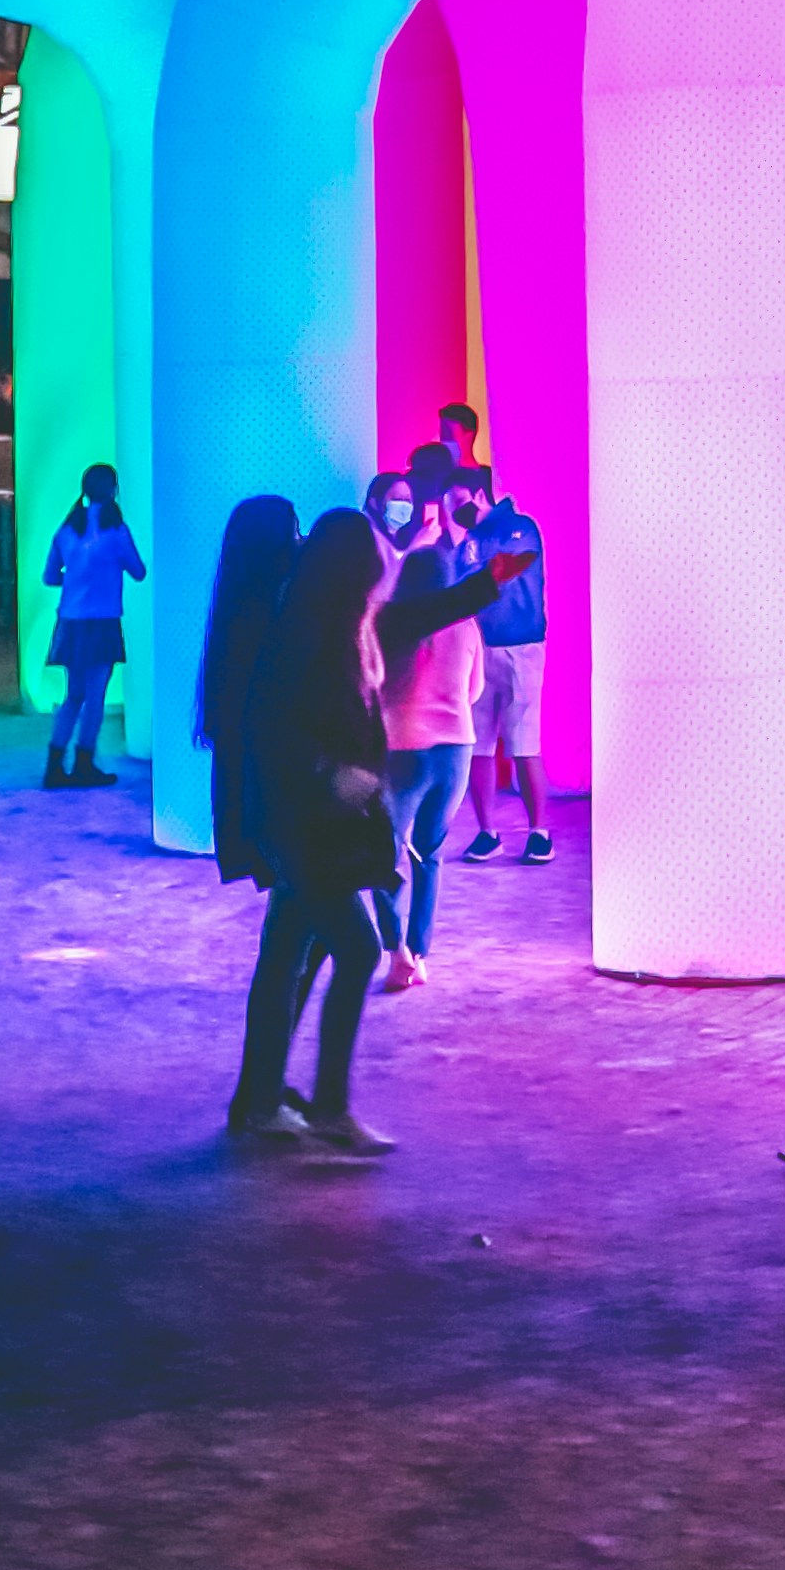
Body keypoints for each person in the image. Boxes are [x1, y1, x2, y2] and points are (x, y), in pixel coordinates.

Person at [227, 502, 520, 1155]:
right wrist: (333, 773)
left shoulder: (354, 622)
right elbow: (271, 726)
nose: (389, 562)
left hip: (317, 825)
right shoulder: (307, 635)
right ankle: (319, 1107)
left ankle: (261, 1102)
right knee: (354, 950)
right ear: (352, 568)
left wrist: (491, 578)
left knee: (288, 958)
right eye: (377, 555)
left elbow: (429, 612)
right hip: (303, 825)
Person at [374, 442, 487, 962]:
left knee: (382, 854)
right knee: (431, 855)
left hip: (401, 747)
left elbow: (374, 683)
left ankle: (394, 950)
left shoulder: (390, 625)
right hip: (455, 750)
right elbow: (475, 691)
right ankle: (419, 955)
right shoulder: (466, 626)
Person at [193, 495, 303, 893]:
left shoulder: (237, 608)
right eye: (294, 529)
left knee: (295, 902)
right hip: (276, 773)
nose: (301, 537)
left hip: (255, 770)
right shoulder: (272, 612)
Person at [454, 468, 557, 867]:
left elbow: (502, 572)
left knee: (524, 744)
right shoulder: (469, 539)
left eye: (459, 500)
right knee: (478, 745)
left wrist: (469, 563)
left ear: (480, 495)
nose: (453, 508)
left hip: (521, 648)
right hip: (479, 648)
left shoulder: (518, 527)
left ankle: (539, 832)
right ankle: (486, 832)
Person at [40, 464, 142, 789]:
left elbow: (50, 576)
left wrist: (77, 577)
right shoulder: (117, 532)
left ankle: (54, 765)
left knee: (73, 696)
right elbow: (138, 571)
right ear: (113, 489)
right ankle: (85, 763)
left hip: (70, 622)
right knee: (95, 697)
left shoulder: (67, 530)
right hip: (103, 621)